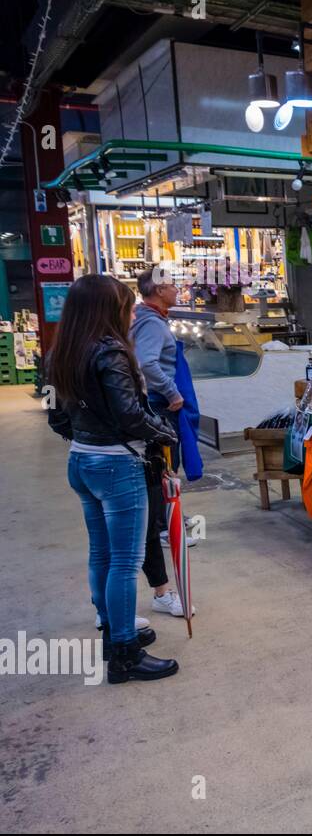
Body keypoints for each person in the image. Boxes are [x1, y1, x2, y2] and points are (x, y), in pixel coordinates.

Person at [46, 274, 180, 683]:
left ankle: (110, 630)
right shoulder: (109, 351)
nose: (130, 314)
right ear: (109, 310)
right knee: (125, 560)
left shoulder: (59, 352)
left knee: (101, 552)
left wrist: (87, 439)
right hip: (117, 466)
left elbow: (55, 417)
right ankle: (124, 652)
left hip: (81, 463)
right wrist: (163, 433)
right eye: (125, 307)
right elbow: (128, 413)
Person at [131, 267, 193, 618]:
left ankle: (167, 524)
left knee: (165, 470)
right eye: (172, 285)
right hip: (159, 406)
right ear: (157, 290)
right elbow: (147, 363)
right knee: (167, 468)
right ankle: (166, 526)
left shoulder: (147, 318)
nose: (178, 290)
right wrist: (171, 393)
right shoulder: (152, 323)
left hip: (152, 405)